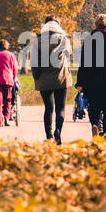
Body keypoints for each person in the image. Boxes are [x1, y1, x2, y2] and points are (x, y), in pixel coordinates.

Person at [75, 13, 106, 139]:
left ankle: (95, 126)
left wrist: (80, 82)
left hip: (92, 81)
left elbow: (83, 64)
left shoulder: (88, 40)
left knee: (94, 107)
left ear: (95, 25)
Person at [31, 14, 72, 144]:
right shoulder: (64, 39)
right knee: (61, 108)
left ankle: (48, 136)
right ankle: (58, 131)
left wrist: (36, 76)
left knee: (48, 108)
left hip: (44, 79)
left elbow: (34, 62)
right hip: (61, 78)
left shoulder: (37, 41)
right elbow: (69, 54)